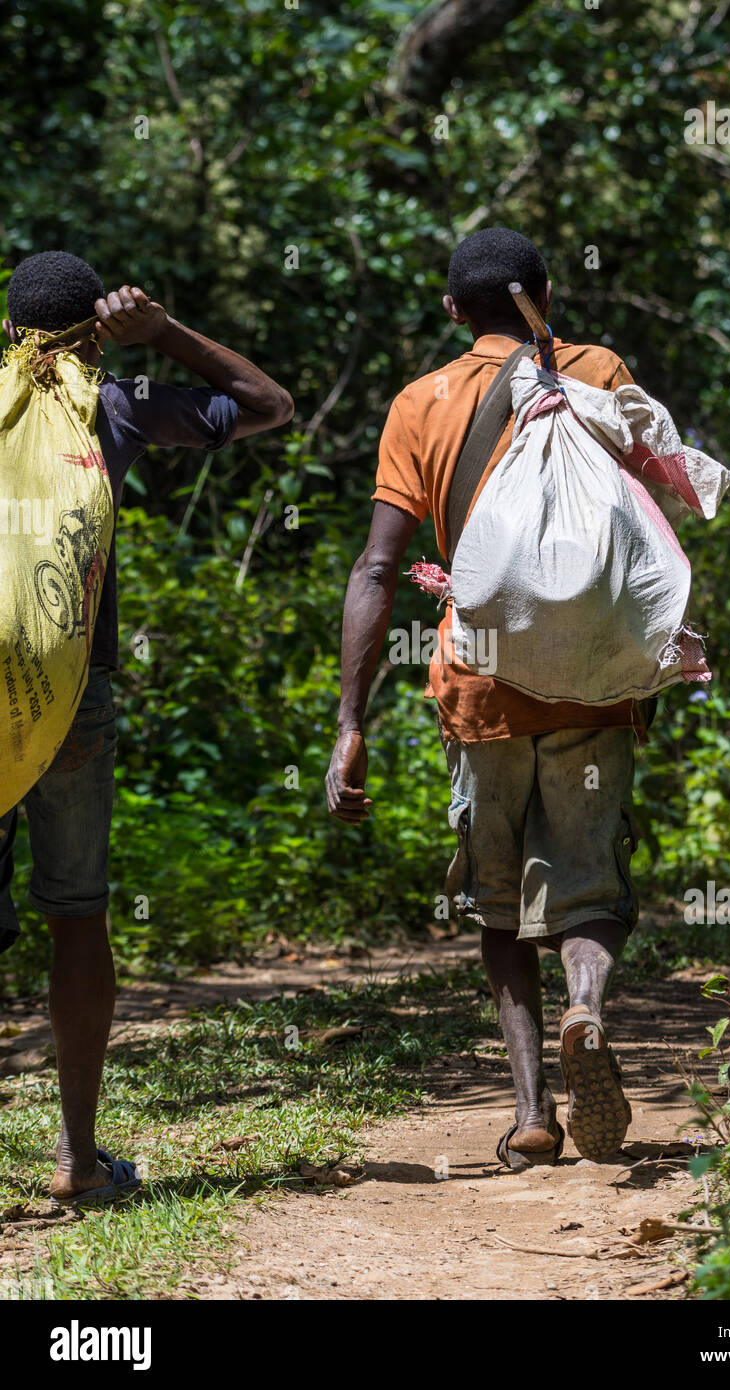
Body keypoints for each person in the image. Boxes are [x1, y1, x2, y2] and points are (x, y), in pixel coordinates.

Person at [326, 227, 646, 1170]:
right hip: (592, 677)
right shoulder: (596, 368)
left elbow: (379, 567)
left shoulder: (420, 402)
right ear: (545, 293)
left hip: (480, 687)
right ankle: (586, 1003)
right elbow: (640, 517)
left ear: (453, 310)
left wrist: (350, 723)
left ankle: (532, 1114)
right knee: (587, 886)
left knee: (499, 908)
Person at [0, 250, 293, 1202]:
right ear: (94, 331)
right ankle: (79, 1159)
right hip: (69, 695)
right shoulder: (112, 406)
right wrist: (162, 331)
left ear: (9, 330)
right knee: (75, 914)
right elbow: (265, 404)